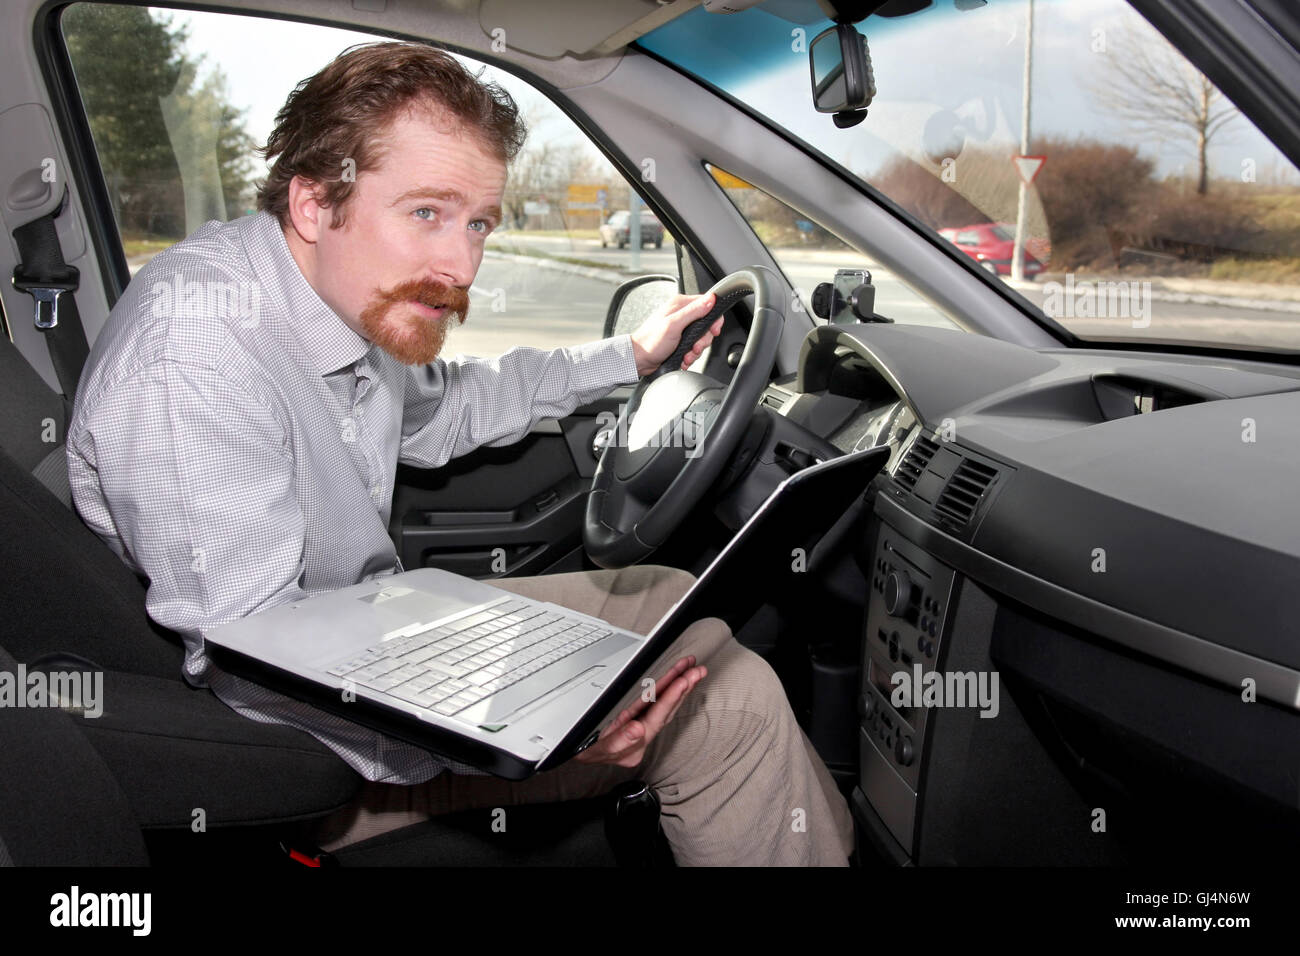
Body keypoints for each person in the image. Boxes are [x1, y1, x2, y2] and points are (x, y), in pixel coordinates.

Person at [67, 40, 854, 865]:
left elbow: (455, 404)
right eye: (426, 214)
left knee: (668, 600)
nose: (461, 265)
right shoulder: (198, 352)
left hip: (373, 638)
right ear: (311, 202)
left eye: (478, 223)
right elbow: (257, 668)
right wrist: (530, 741)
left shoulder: (340, 296)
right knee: (731, 706)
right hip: (307, 742)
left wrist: (630, 359)